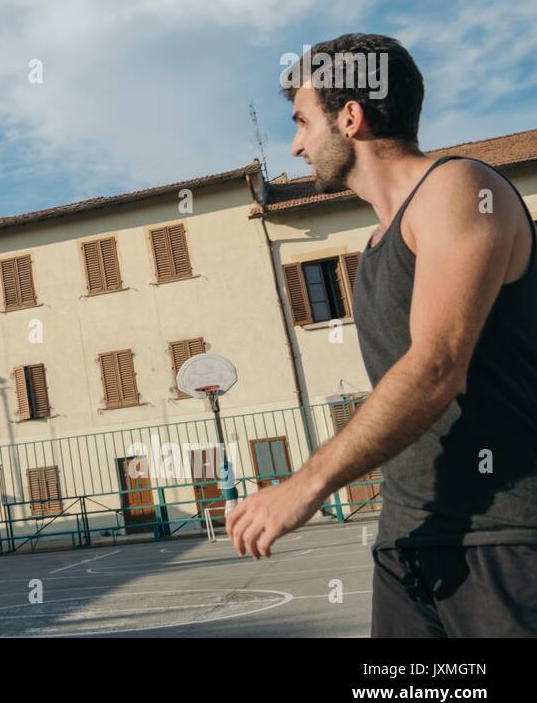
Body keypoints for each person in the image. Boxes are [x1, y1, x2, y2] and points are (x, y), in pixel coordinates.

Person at [228, 33, 537, 636]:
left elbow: (437, 365)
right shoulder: (373, 252)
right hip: (407, 544)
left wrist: (306, 484)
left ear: (351, 116)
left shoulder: (458, 189)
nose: (295, 145)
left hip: (502, 538)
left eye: (301, 122)